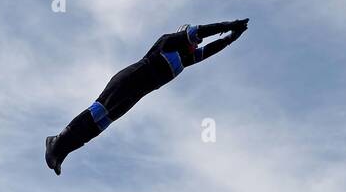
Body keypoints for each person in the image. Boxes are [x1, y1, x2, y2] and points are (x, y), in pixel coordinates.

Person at [45, 19, 250, 174]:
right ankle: (56, 141)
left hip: (138, 93)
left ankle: (63, 151)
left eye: (197, 43)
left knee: (101, 124)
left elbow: (209, 50)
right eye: (195, 40)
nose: (197, 44)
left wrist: (231, 37)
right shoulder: (168, 41)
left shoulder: (184, 60)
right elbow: (201, 31)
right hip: (129, 79)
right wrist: (230, 24)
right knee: (98, 112)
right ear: (184, 35)